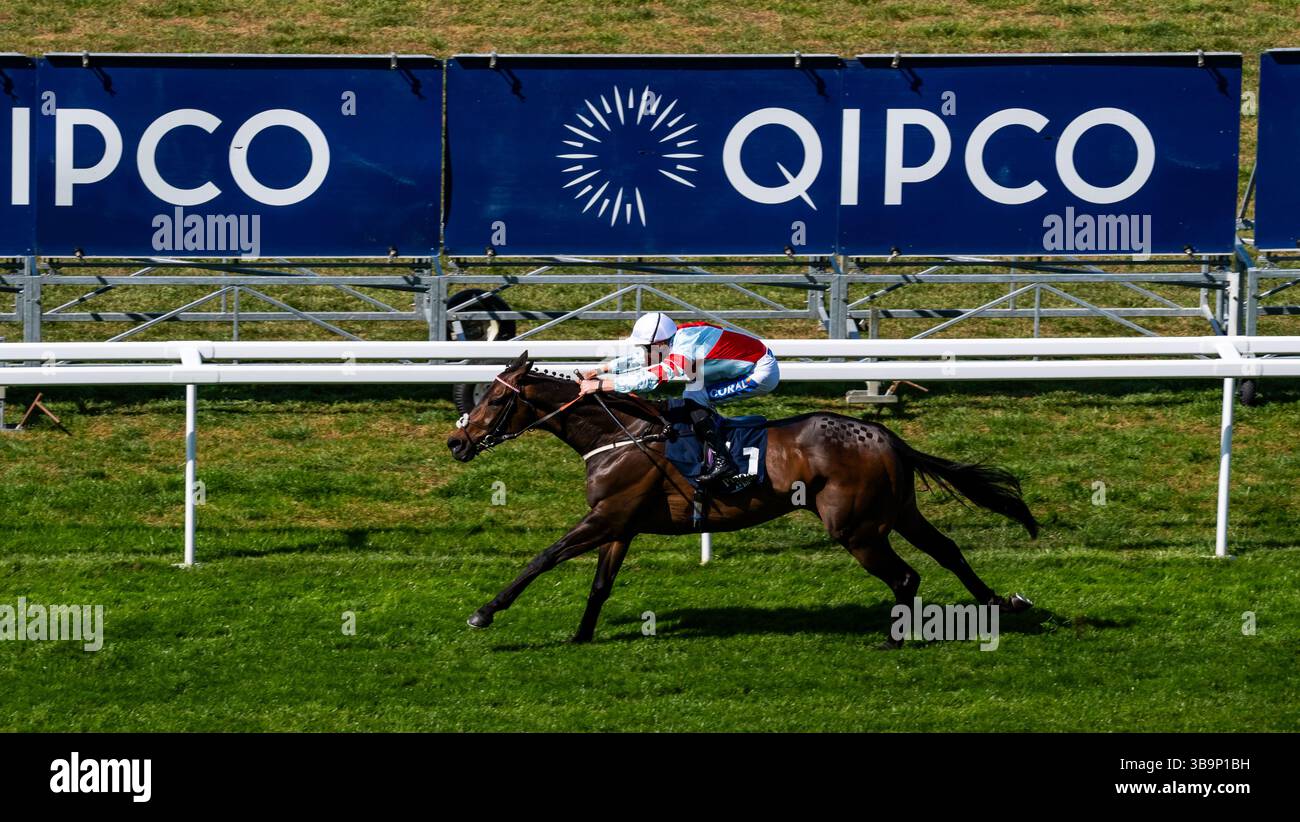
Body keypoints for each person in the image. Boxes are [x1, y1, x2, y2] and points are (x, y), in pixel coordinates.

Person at [578, 312, 780, 489]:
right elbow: (643, 358)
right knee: (692, 395)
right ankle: (715, 447)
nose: (646, 350)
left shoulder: (684, 348)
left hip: (759, 372)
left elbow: (651, 378)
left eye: (647, 346)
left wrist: (601, 385)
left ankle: (723, 460)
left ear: (659, 343)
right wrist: (601, 370)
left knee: (695, 399)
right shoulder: (673, 338)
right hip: (726, 366)